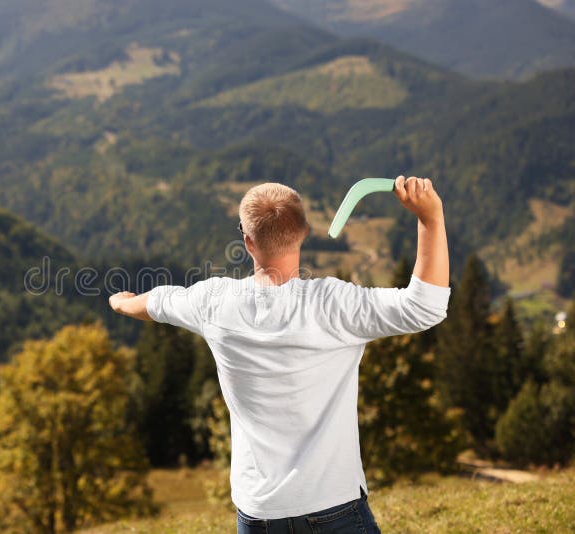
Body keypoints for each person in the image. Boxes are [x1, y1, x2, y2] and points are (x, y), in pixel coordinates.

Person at [109, 176, 450, 533]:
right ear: (303, 232)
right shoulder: (334, 305)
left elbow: (159, 301)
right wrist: (430, 218)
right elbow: (425, 307)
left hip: (259, 514)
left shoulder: (213, 302)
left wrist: (123, 303)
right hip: (334, 507)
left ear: (248, 241)